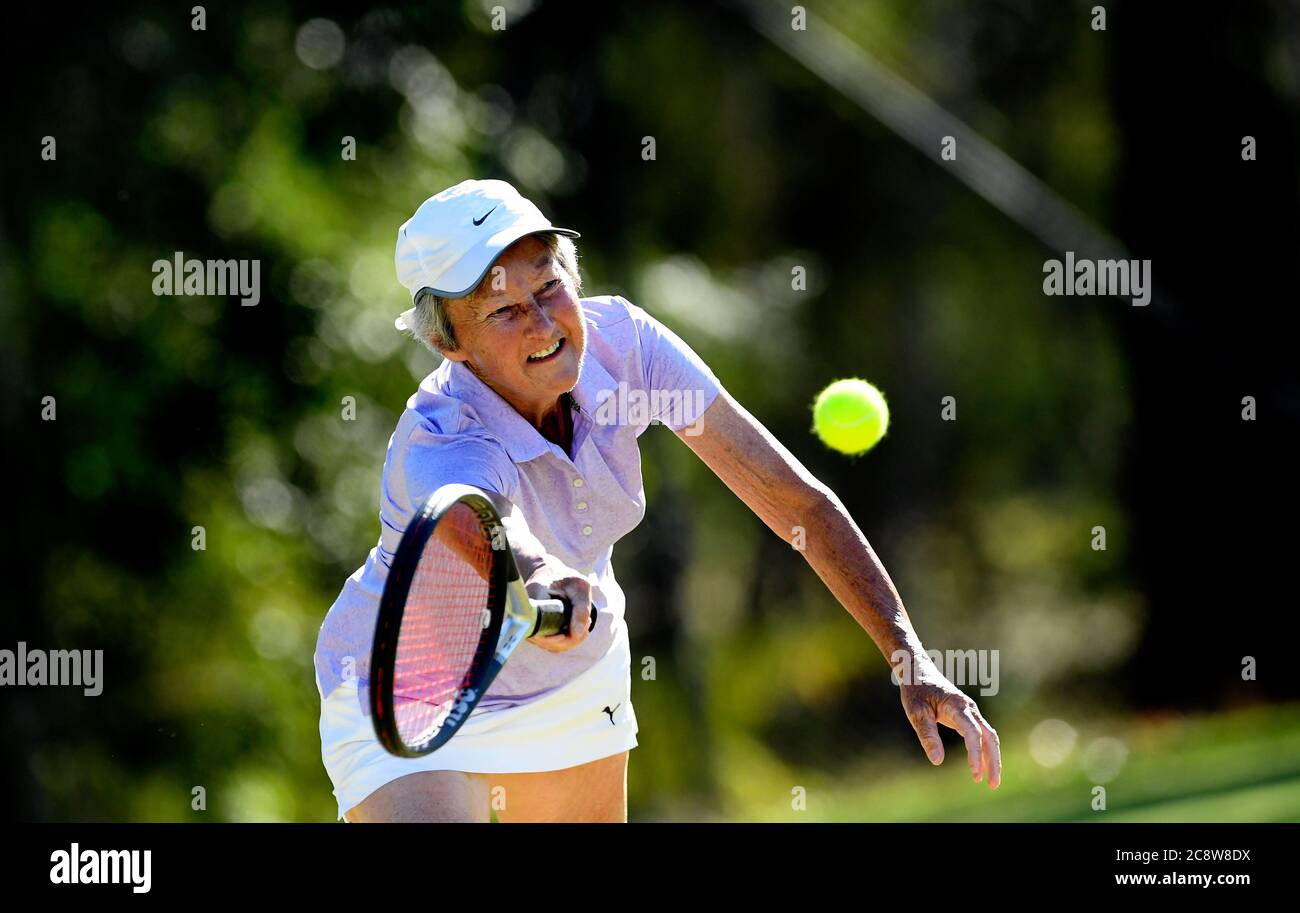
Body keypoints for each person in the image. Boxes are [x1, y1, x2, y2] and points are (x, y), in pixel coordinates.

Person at [313, 178, 1000, 822]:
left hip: (569, 682)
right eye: (503, 310)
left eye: (549, 287)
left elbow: (796, 504)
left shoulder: (627, 347)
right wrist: (549, 578)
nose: (542, 323)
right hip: (408, 690)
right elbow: (489, 532)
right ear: (446, 341)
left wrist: (908, 656)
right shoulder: (440, 441)